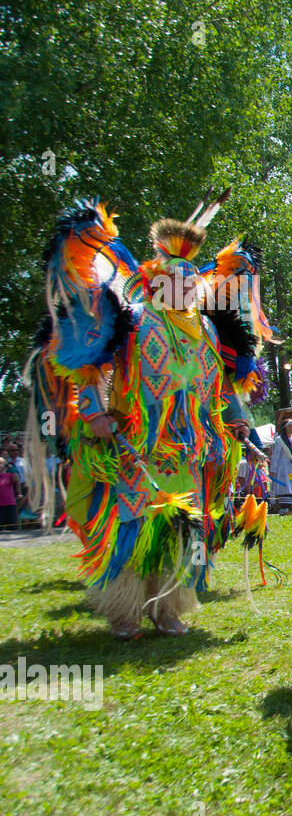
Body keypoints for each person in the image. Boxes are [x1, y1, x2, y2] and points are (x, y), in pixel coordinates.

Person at [24, 197, 274, 639]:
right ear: (158, 284)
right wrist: (95, 412)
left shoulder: (208, 332)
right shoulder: (134, 321)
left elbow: (218, 391)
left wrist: (239, 430)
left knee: (182, 531)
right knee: (133, 524)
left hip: (187, 450)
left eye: (190, 282)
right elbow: (90, 367)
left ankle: (170, 610)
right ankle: (125, 611)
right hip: (137, 444)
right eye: (175, 281)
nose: (185, 288)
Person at [269, 417, 292, 514]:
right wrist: (273, 470)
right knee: (284, 487)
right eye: (291, 425)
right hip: (282, 468)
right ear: (286, 428)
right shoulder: (279, 440)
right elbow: (276, 456)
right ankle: (283, 507)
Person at [0, 458, 19, 529]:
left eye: (2, 464)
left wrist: (10, 467)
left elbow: (16, 479)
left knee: (12, 525)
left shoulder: (9, 475)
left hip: (10, 502)